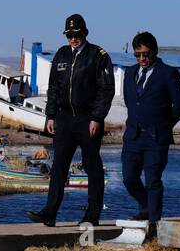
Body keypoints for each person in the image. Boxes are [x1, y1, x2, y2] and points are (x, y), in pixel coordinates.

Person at [27, 13, 114, 227]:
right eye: (69, 34)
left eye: (77, 34)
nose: (73, 38)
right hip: (64, 119)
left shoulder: (98, 55)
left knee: (91, 166)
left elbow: (106, 90)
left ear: (85, 32)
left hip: (88, 120)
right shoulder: (62, 54)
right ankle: (50, 213)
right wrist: (50, 115)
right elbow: (54, 87)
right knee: (58, 167)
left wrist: (97, 117)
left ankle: (92, 216)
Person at [120, 31, 180, 230]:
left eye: (146, 54)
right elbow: (131, 101)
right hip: (132, 136)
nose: (142, 58)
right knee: (128, 178)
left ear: (155, 52)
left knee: (153, 180)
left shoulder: (168, 73)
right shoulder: (129, 73)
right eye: (138, 54)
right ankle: (146, 206)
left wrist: (165, 125)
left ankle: (153, 224)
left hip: (156, 138)